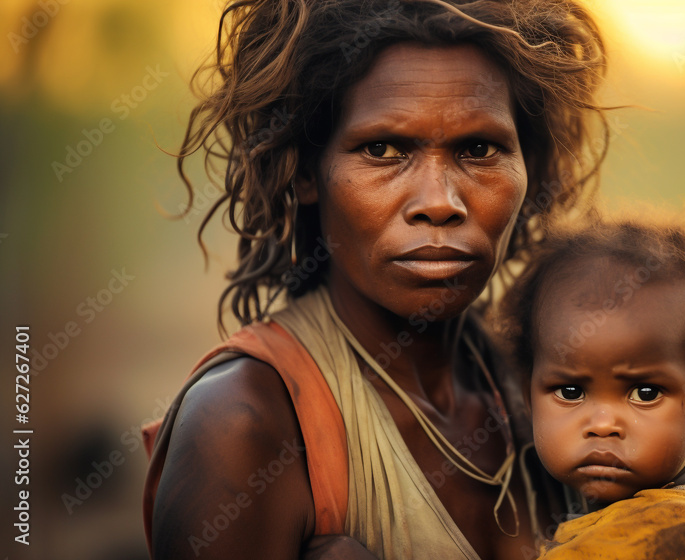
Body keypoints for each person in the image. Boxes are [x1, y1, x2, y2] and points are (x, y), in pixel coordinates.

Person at [141, 1, 611, 559]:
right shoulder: (244, 424)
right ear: (305, 171)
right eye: (383, 150)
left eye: (479, 149)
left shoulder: (554, 389)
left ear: (528, 166)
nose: (439, 203)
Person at [497, 210, 685, 559]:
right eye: (571, 392)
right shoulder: (632, 527)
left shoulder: (680, 539)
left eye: (645, 393)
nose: (601, 424)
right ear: (528, 397)